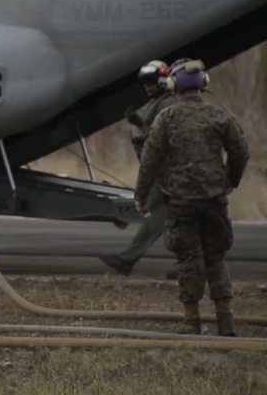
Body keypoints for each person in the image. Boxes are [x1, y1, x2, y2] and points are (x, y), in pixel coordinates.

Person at [135, 59, 249, 336]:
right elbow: (241, 152)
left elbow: (150, 160)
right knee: (216, 257)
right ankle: (226, 320)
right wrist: (229, 179)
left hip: (181, 200)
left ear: (172, 86)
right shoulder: (220, 116)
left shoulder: (167, 118)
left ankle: (191, 322)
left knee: (188, 260)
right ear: (203, 85)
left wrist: (141, 196)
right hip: (214, 199)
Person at [99, 60, 177, 278]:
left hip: (166, 171)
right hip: (162, 171)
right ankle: (129, 260)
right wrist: (139, 122)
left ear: (161, 82)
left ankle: (128, 260)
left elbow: (163, 137)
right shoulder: (159, 102)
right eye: (144, 82)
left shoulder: (167, 104)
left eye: (150, 82)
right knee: (166, 219)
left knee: (168, 218)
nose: (146, 86)